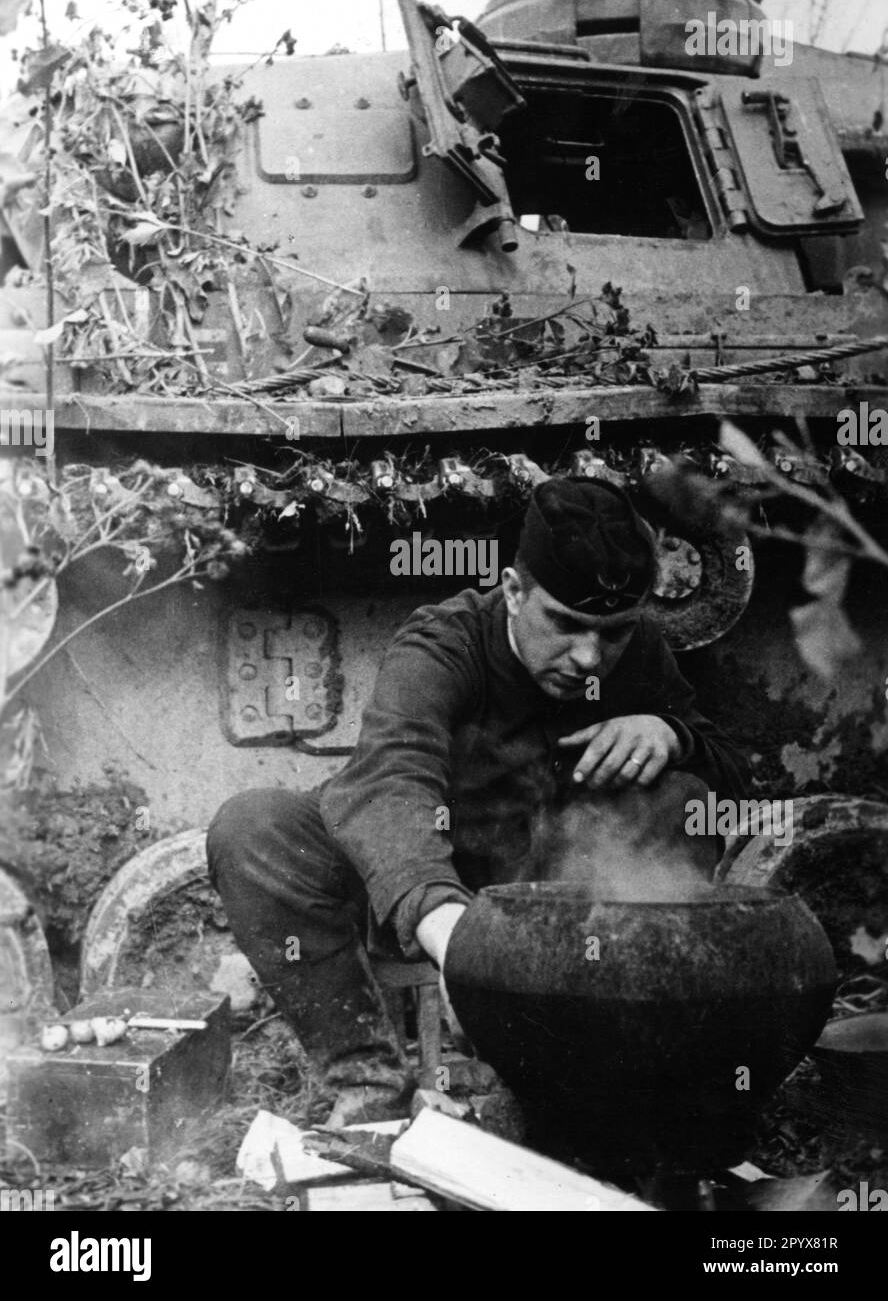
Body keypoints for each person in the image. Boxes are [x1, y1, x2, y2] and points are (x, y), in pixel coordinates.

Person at [207, 477, 748, 1125]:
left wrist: (672, 733)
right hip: (414, 873)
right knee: (252, 828)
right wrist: (458, 942)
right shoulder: (443, 642)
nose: (588, 658)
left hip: (550, 893)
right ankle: (370, 1086)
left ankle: (566, 1082)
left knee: (683, 795)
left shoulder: (638, 654)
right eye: (567, 624)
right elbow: (390, 781)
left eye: (614, 632)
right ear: (514, 592)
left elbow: (732, 776)